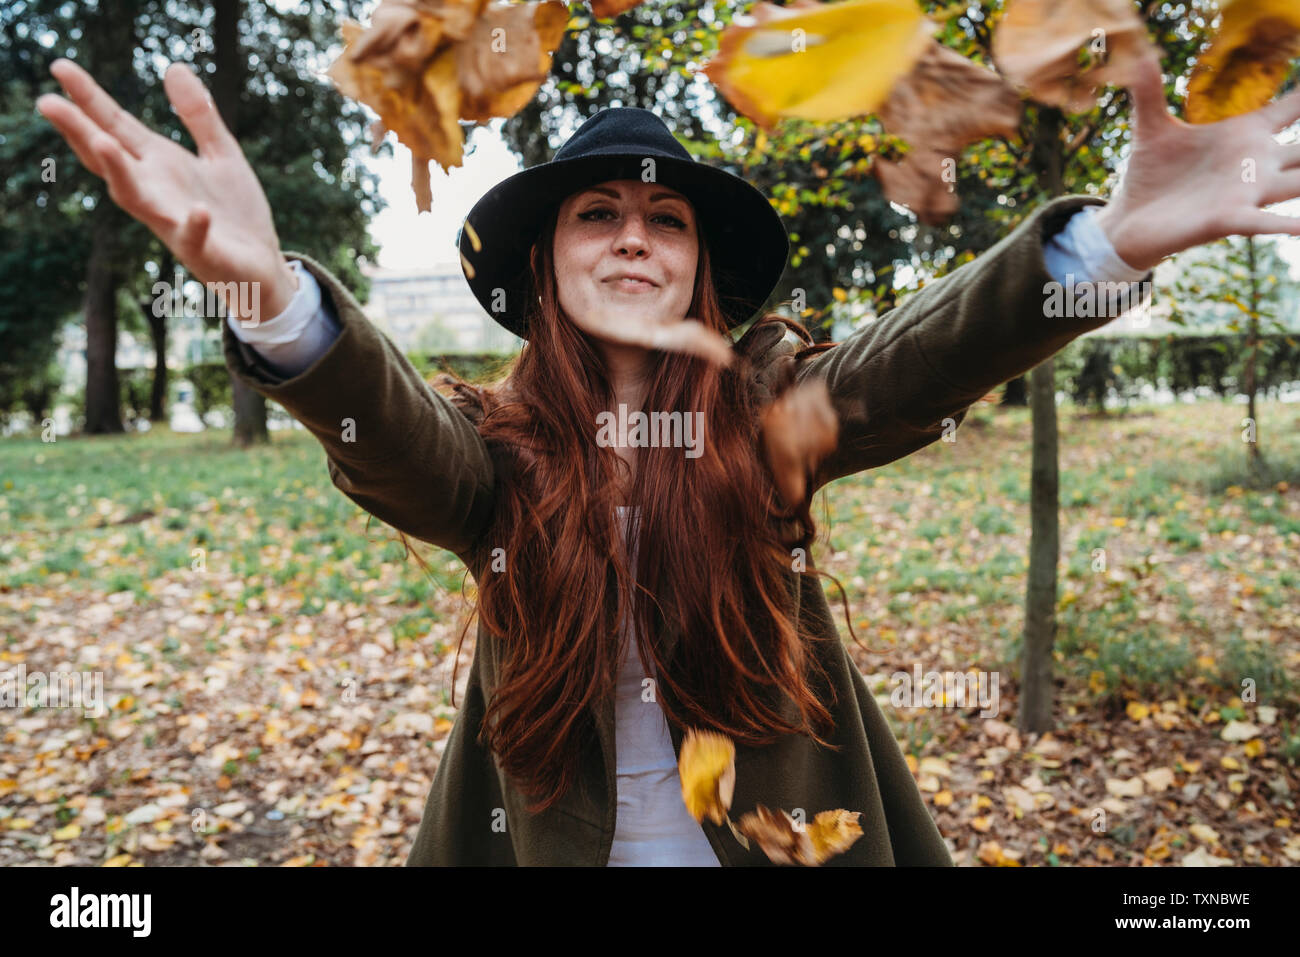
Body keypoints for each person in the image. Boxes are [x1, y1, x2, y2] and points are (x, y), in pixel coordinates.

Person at [38, 51, 1300, 866]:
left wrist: (1102, 255)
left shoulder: (769, 415)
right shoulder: (495, 457)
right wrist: (273, 305)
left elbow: (911, 366)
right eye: (597, 214)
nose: (631, 239)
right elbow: (400, 447)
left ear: (699, 261)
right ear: (548, 261)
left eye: (663, 219)